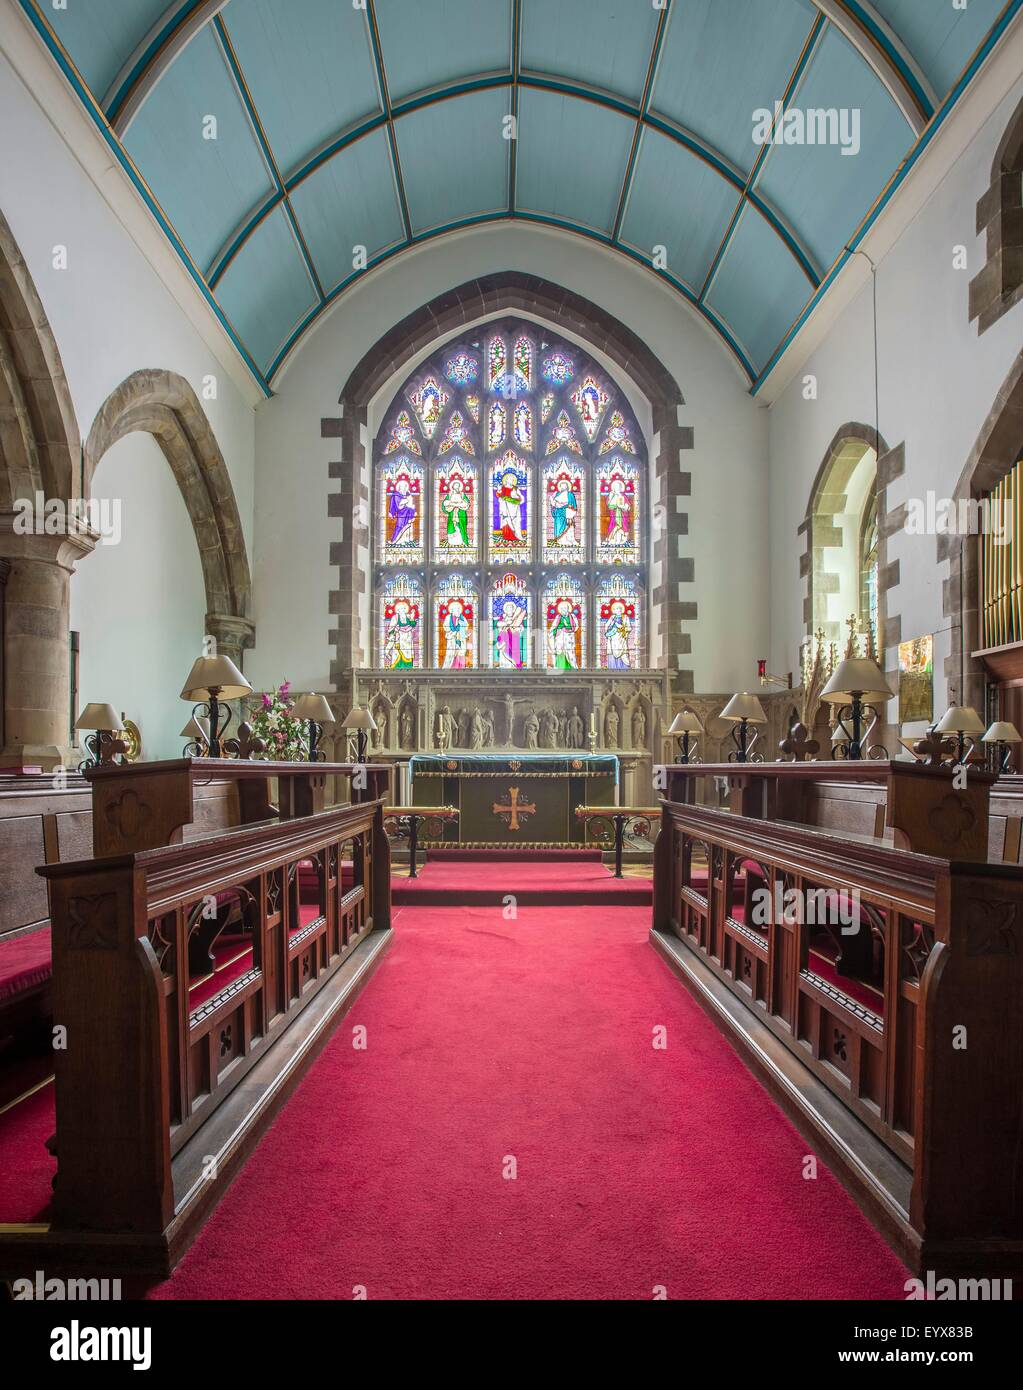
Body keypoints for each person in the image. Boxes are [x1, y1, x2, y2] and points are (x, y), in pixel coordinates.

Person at [384, 599, 417, 669]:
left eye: (404, 608)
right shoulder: (395, 617)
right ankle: (397, 668)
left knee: (408, 654)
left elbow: (413, 625)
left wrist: (412, 618)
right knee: (397, 653)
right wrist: (394, 633)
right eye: (400, 608)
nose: (402, 610)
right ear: (397, 610)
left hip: (408, 638)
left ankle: (408, 669)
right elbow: (391, 629)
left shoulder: (408, 616)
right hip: (399, 638)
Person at [548, 598, 579, 670]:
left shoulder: (572, 616)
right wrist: (557, 630)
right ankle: (560, 668)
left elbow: (576, 627)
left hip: (569, 637)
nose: (563, 610)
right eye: (561, 608)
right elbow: (553, 628)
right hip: (559, 638)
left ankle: (572, 668)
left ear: (568, 609)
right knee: (560, 651)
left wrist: (567, 627)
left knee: (570, 653)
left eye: (564, 608)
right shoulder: (558, 617)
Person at [441, 598, 471, 668]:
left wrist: (460, 626)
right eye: (456, 609)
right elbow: (445, 627)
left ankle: (461, 669)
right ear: (452, 610)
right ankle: (449, 668)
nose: (458, 611)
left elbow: (466, 626)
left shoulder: (462, 618)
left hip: (460, 638)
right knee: (451, 654)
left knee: (461, 654)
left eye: (459, 609)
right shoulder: (448, 617)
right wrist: (454, 631)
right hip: (451, 638)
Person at [388, 475, 417, 547]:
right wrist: (406, 500)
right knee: (399, 526)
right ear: (399, 487)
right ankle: (395, 541)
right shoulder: (396, 495)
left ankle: (405, 541)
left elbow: (411, 504)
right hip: (401, 514)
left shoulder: (407, 495)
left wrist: (412, 507)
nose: (404, 488)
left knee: (408, 526)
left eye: (405, 486)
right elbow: (399, 506)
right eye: (402, 486)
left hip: (408, 513)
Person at [604, 600, 632, 670]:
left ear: (621, 609)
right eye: (616, 609)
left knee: (623, 652)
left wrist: (621, 628)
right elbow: (607, 625)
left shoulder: (625, 617)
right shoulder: (612, 617)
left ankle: (624, 668)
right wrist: (608, 630)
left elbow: (629, 627)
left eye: (619, 608)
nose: (617, 610)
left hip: (621, 637)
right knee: (613, 651)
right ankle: (612, 668)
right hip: (613, 637)